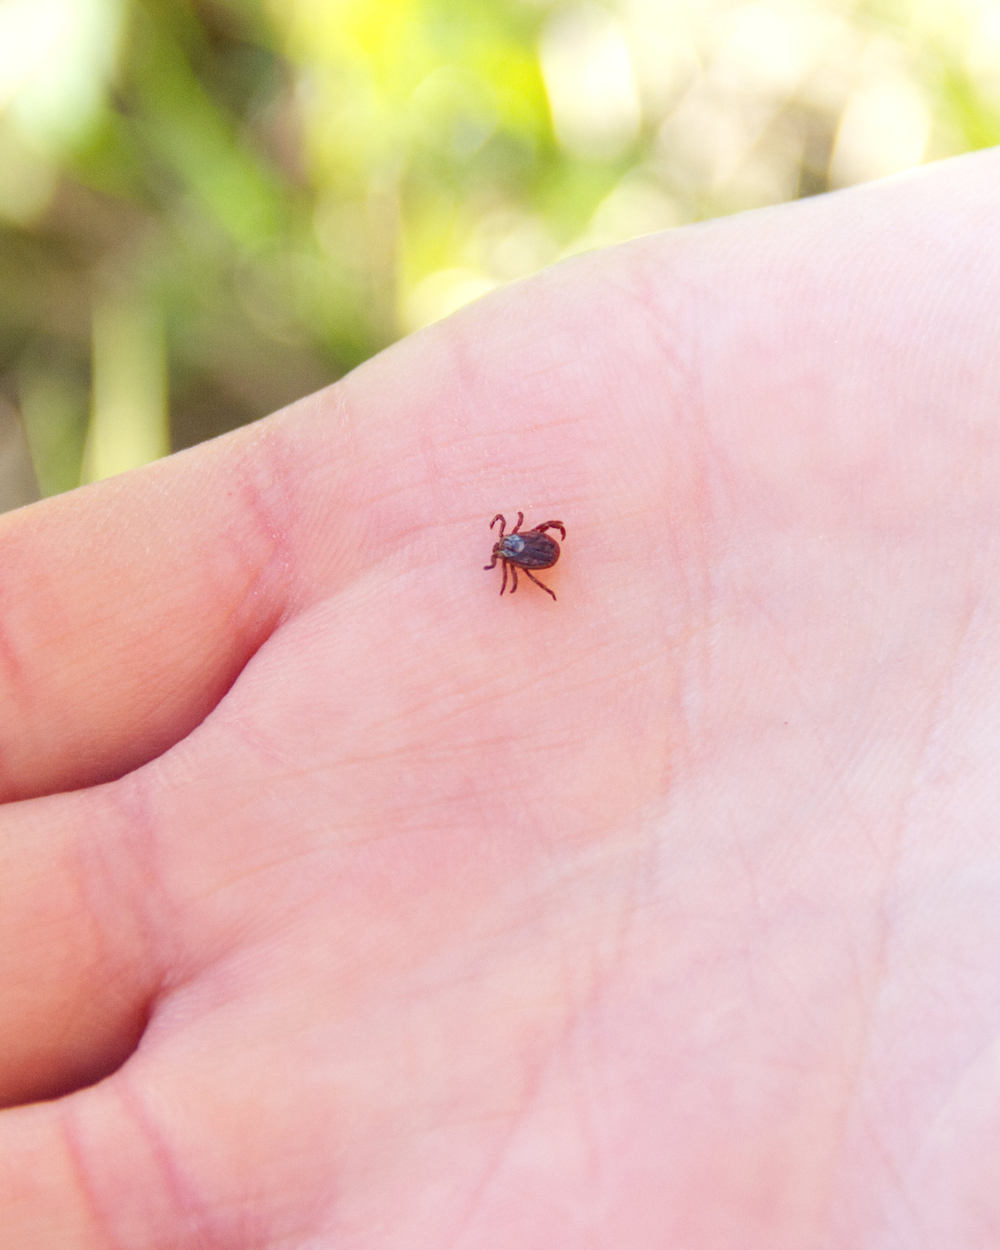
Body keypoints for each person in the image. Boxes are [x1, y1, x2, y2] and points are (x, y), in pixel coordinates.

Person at [2, 146, 998, 1247]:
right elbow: (533, 546)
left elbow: (528, 550)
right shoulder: (526, 555)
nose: (517, 552)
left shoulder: (520, 557)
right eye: (517, 549)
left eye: (518, 550)